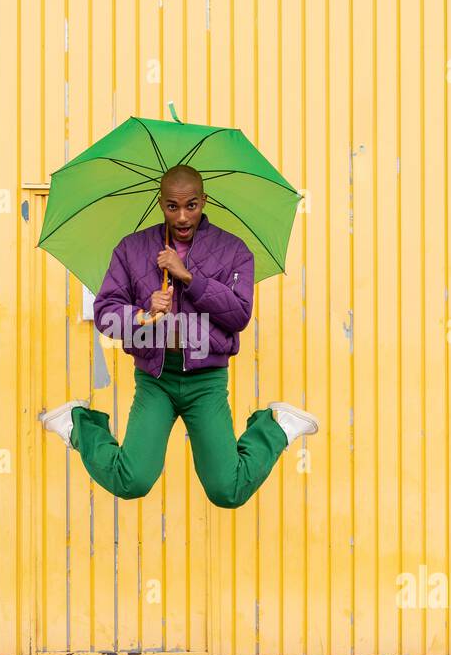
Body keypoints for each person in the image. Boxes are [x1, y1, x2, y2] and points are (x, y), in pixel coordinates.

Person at [38, 164, 318, 509]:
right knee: (133, 479)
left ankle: (278, 427)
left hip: (207, 380)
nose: (183, 216)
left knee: (226, 490)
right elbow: (106, 315)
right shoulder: (133, 249)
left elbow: (238, 315)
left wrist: (188, 277)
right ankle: (76, 423)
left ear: (204, 200)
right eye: (173, 206)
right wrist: (142, 312)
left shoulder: (234, 250)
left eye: (192, 205)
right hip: (156, 378)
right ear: (161, 203)